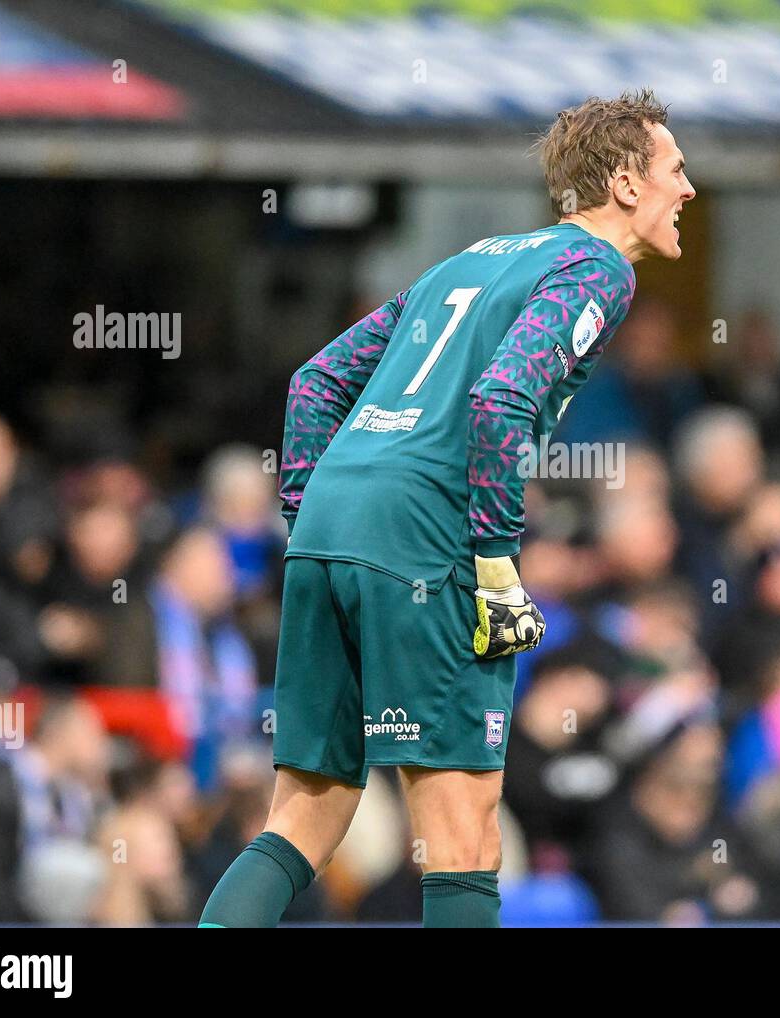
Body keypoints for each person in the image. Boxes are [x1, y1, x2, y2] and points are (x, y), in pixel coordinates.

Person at [199, 89, 696, 928]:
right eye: (675, 170)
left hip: (331, 526)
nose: (688, 188)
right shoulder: (597, 269)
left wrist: (314, 523)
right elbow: (502, 400)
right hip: (426, 538)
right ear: (623, 182)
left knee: (306, 814)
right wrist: (498, 564)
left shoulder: (468, 261)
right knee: (464, 837)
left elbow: (314, 384)